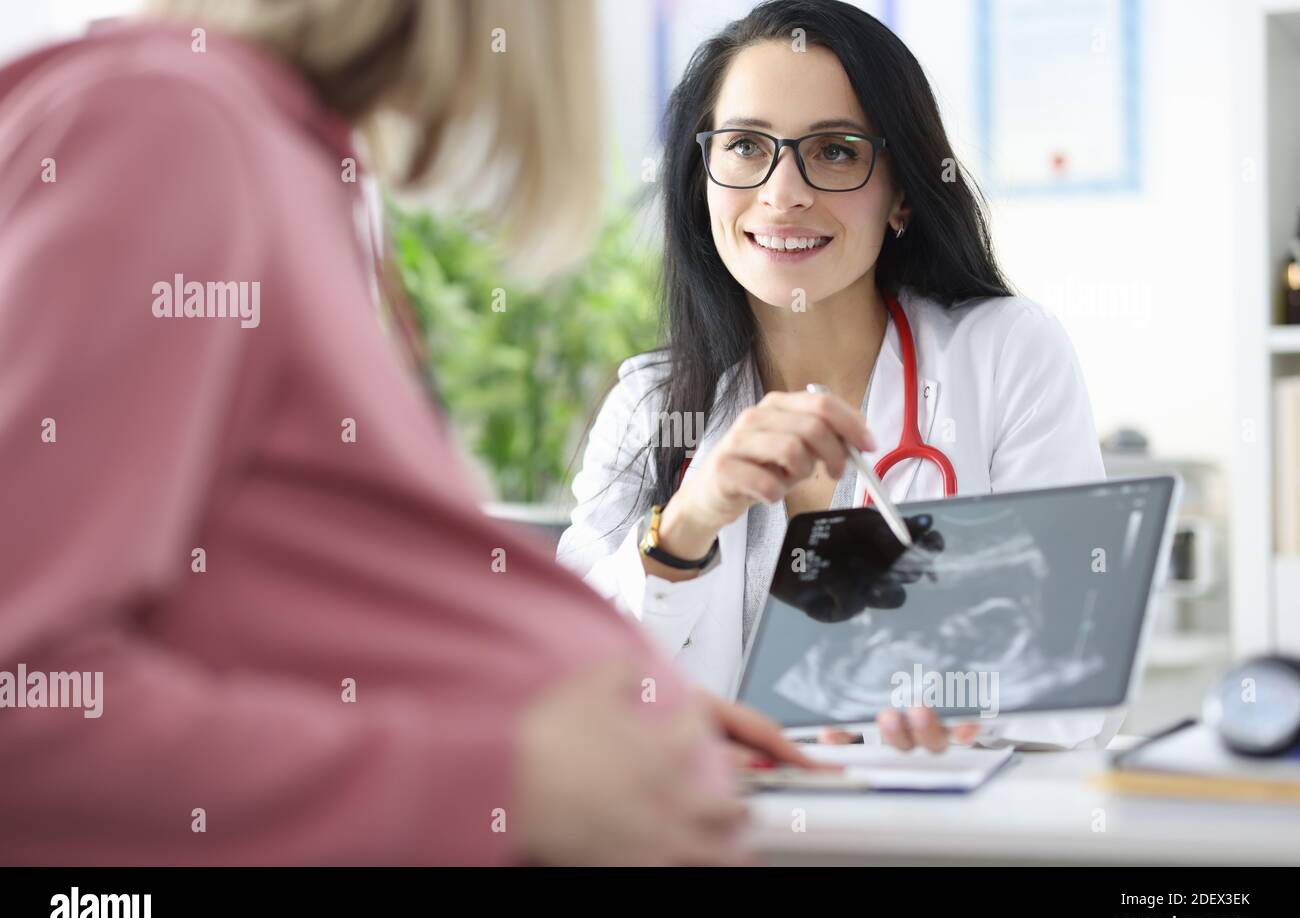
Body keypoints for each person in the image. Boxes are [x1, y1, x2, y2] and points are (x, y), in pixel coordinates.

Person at [0, 0, 812, 867]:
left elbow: (266, 620)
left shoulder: (284, 157)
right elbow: (29, 692)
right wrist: (512, 779)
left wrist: (583, 726)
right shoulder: (164, 131)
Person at [558, 0, 1123, 751]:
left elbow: (1077, 693)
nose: (783, 192)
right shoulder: (649, 405)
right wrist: (687, 524)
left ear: (902, 196)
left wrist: (957, 705)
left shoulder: (1004, 354)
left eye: (834, 151)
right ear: (703, 179)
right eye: (745, 145)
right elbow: (560, 688)